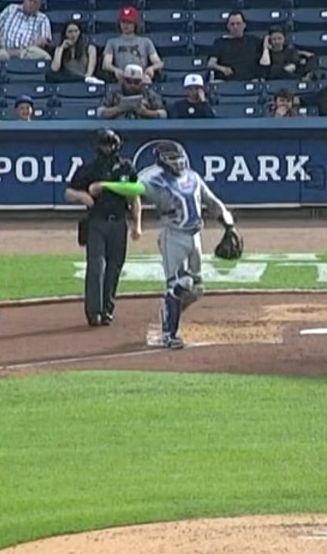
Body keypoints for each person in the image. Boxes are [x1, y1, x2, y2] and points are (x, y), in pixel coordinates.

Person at [136, 141, 237, 349]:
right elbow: (135, 191)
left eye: (178, 157)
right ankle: (169, 334)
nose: (177, 162)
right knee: (179, 284)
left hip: (195, 235)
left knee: (196, 288)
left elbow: (212, 202)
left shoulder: (193, 178)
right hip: (172, 235)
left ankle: (169, 311)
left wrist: (229, 225)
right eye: (172, 159)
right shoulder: (152, 179)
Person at [66, 128, 144, 327]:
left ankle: (107, 309)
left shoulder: (126, 167)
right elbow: (69, 192)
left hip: (119, 222)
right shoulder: (89, 168)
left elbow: (134, 196)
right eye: (104, 144)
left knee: (114, 267)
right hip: (97, 222)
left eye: (110, 144)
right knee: (96, 266)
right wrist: (82, 196)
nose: (108, 148)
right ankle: (94, 311)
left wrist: (137, 224)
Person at [99, 63, 167, 119]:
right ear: (123, 80)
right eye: (129, 81)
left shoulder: (148, 93)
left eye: (136, 82)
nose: (132, 85)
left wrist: (146, 112)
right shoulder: (114, 92)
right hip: (118, 126)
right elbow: (100, 113)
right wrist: (119, 108)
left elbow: (163, 114)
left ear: (142, 82)